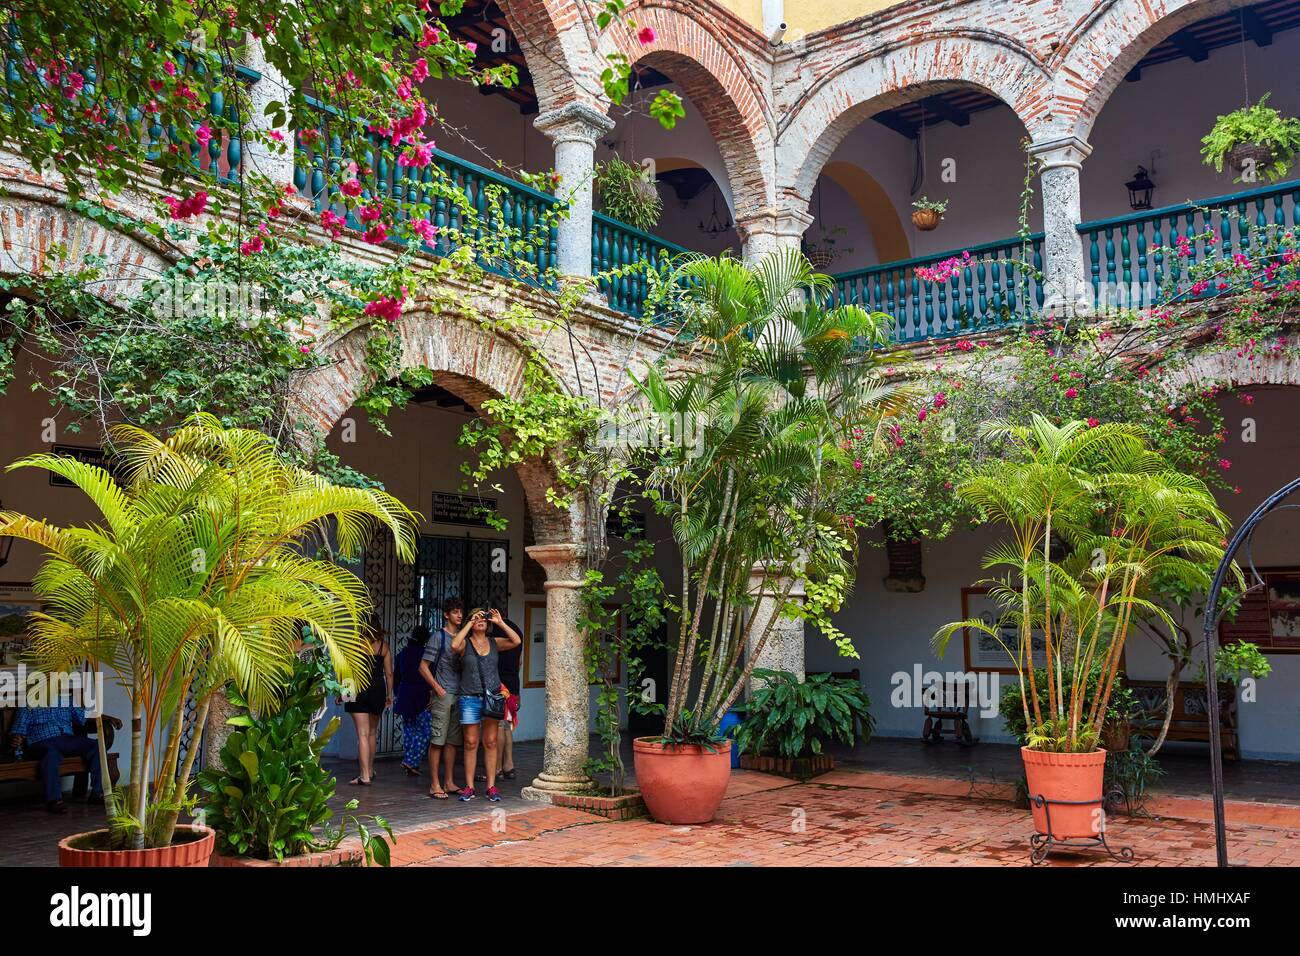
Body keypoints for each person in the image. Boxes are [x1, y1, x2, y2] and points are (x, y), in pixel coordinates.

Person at [452, 607, 520, 802]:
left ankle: (491, 786)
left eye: (483, 618)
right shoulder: (465, 643)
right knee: (470, 742)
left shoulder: (494, 642)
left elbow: (516, 641)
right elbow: (455, 646)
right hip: (469, 697)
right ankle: (470, 787)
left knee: (490, 742)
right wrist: (469, 624)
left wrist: (500, 622)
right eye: (476, 617)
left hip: (492, 698)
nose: (480, 620)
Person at [9, 705, 123, 813]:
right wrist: (16, 738)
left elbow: (85, 715)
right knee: (51, 754)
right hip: (40, 741)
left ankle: (97, 794)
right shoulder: (28, 704)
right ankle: (54, 800)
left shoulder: (64, 699)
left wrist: (108, 718)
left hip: (67, 740)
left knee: (96, 746)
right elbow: (18, 730)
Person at [418, 597, 464, 799]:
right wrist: (437, 688)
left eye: (461, 612)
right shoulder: (439, 637)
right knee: (438, 740)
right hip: (443, 693)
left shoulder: (463, 637)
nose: (459, 615)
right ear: (446, 615)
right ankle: (434, 783)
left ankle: (449, 781)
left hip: (459, 693)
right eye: (455, 612)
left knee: (453, 741)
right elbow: (423, 667)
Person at [343, 615, 392, 785]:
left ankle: (364, 775)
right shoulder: (383, 646)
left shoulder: (354, 645)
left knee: (362, 735)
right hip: (378, 689)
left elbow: (347, 671)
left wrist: (343, 694)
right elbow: (389, 674)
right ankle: (370, 770)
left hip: (359, 689)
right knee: (372, 733)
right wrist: (389, 695)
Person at [394, 625, 432, 775]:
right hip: (421, 694)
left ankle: (410, 762)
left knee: (409, 730)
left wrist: (397, 693)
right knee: (425, 730)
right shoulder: (425, 654)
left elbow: (396, 675)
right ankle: (411, 761)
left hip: (405, 694)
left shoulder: (402, 654)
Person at [495, 615, 523, 780]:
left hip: (500, 684)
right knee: (506, 724)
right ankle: (509, 765)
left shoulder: (495, 634)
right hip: (513, 683)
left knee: (498, 725)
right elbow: (519, 662)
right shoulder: (516, 630)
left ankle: (497, 767)